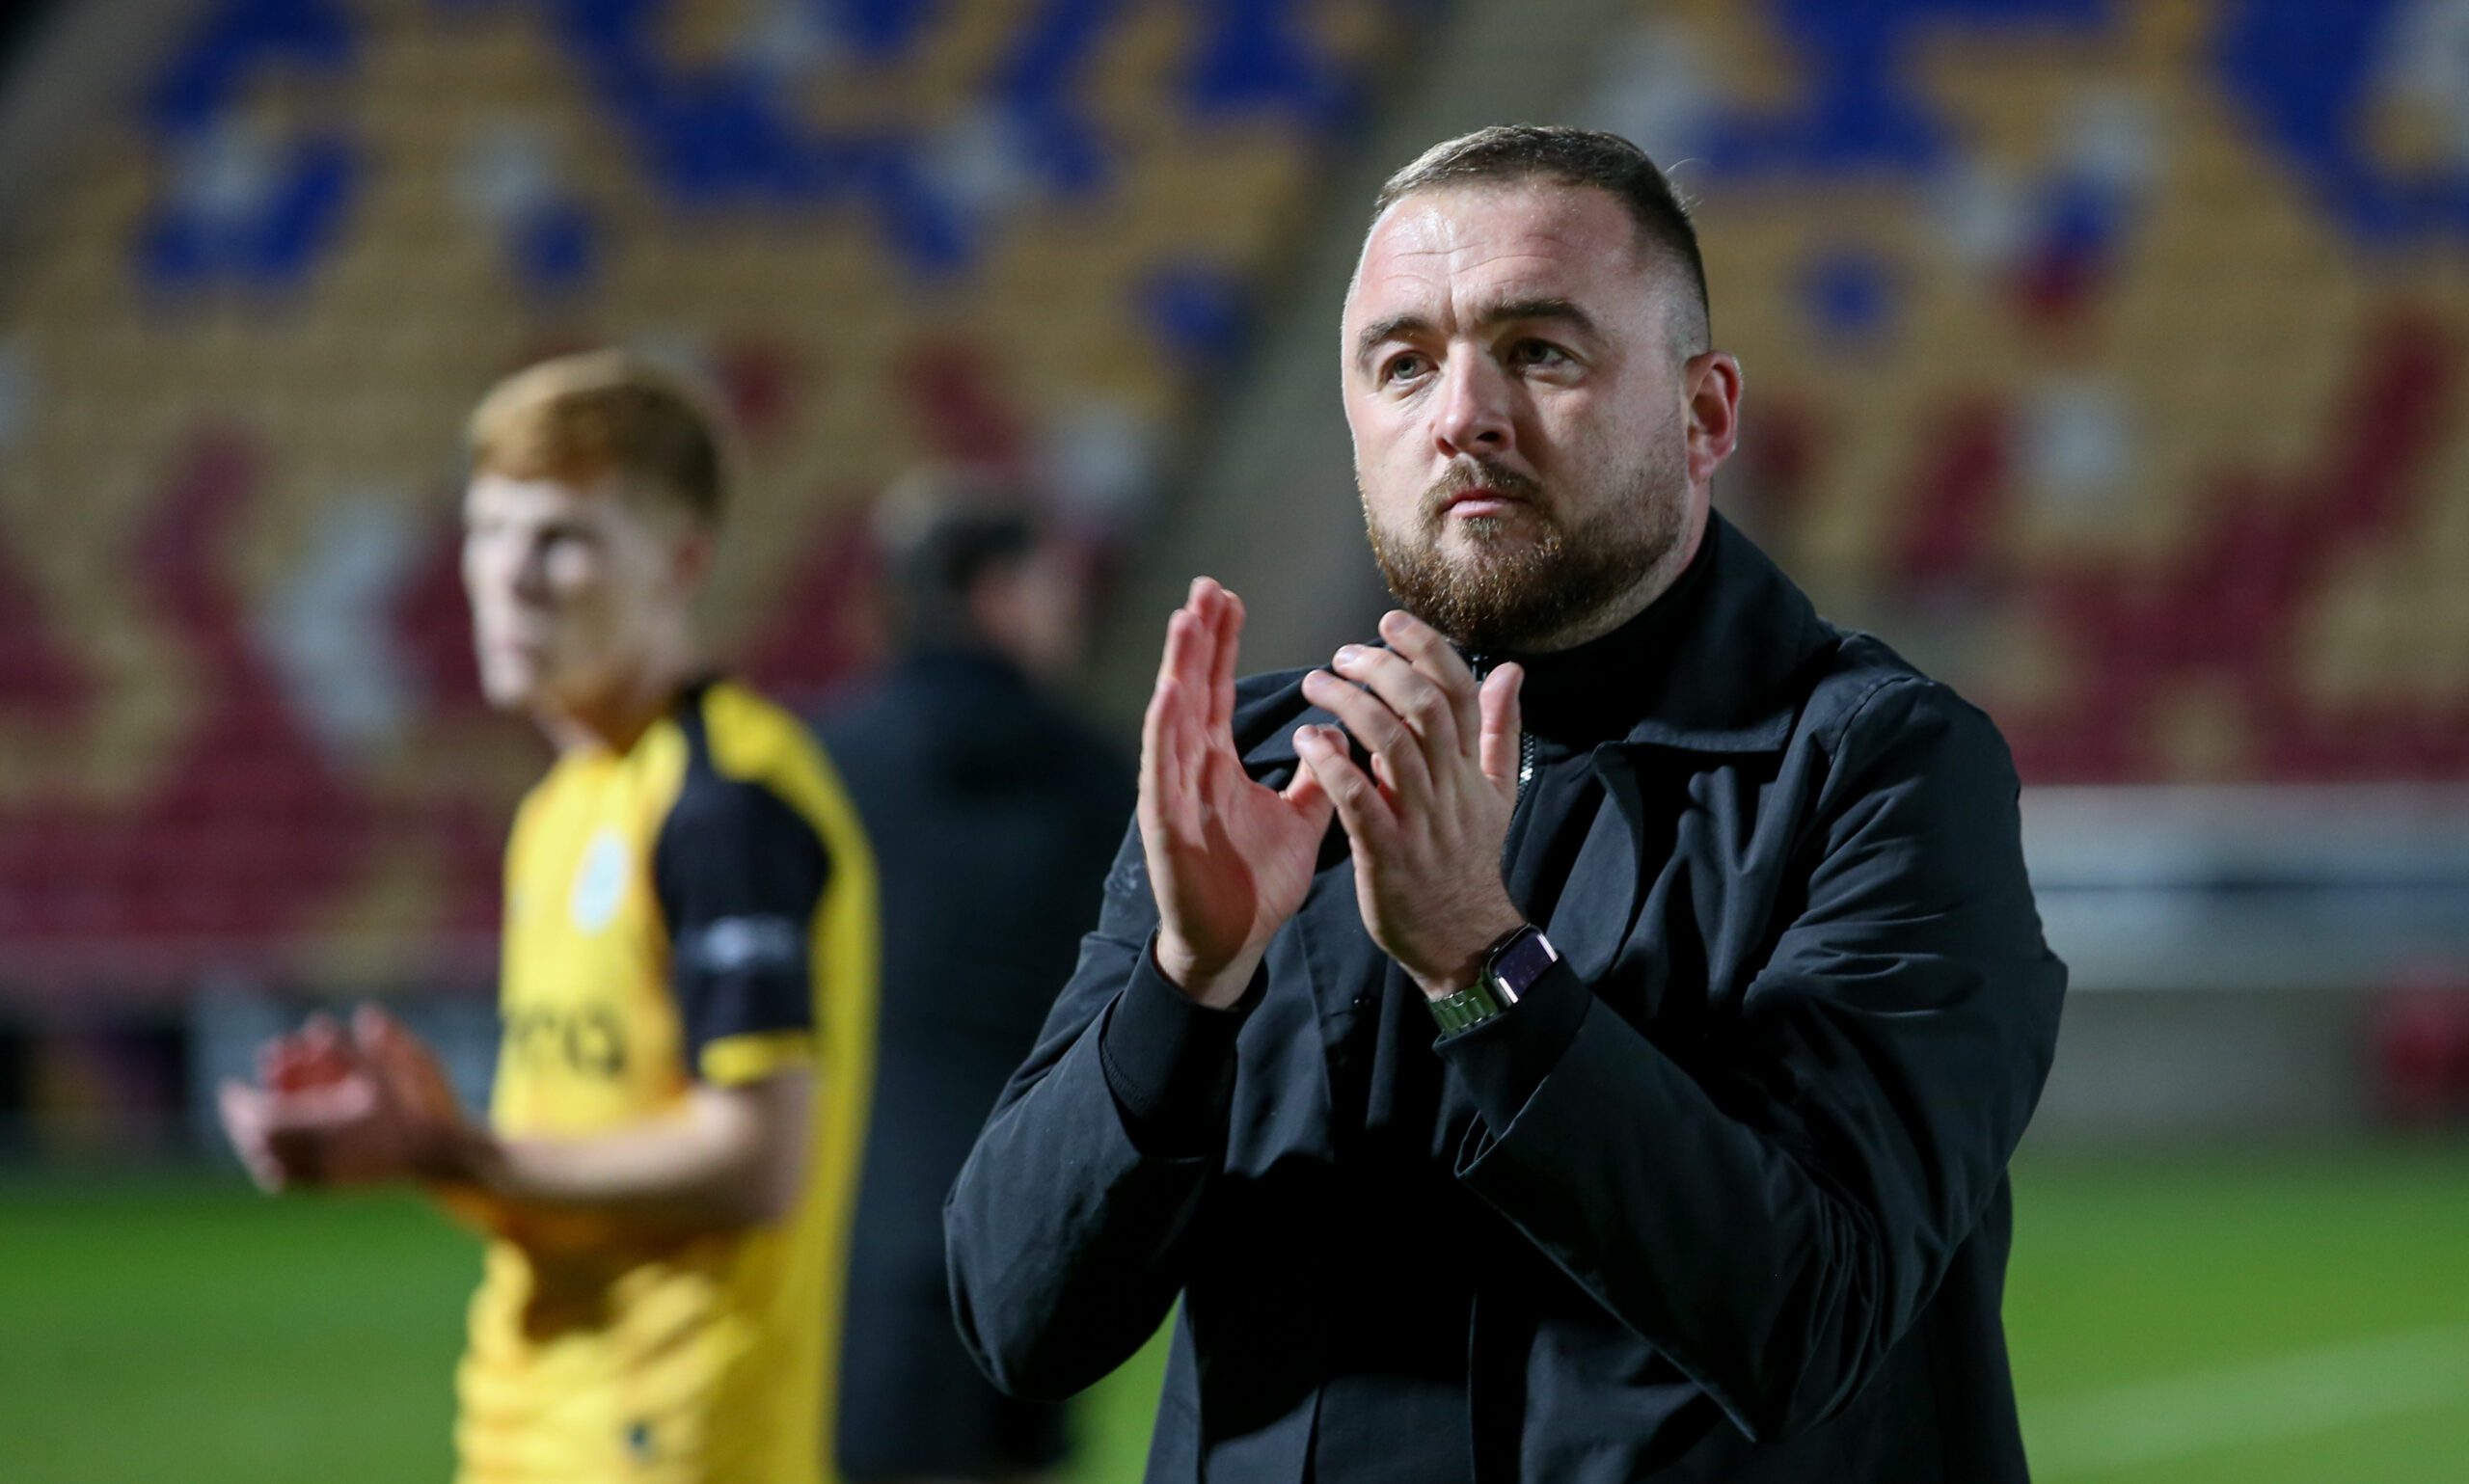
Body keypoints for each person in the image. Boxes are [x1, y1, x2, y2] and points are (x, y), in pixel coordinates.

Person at [943, 124, 2067, 1482]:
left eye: (1540, 351)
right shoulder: (1262, 768)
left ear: (1705, 415)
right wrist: (1187, 984)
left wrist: (1483, 962)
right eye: (1403, 363)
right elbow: (1017, 1317)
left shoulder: (1881, 769)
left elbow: (1808, 1314)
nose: (1462, 413)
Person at [218, 350, 880, 1484]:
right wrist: (433, 1142)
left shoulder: (726, 803)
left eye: (563, 538)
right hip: (537, 1424)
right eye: (489, 530)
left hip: (674, 1439)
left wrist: (447, 1148)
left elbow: (758, 1157)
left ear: (680, 565)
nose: (509, 576)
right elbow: (589, 1128)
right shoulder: (565, 806)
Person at [818, 481, 1132, 1482]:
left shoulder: (817, 765)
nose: (1072, 610)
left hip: (850, 1225)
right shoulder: (1097, 777)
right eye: (1053, 586)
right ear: (993, 596)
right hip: (1040, 1218)